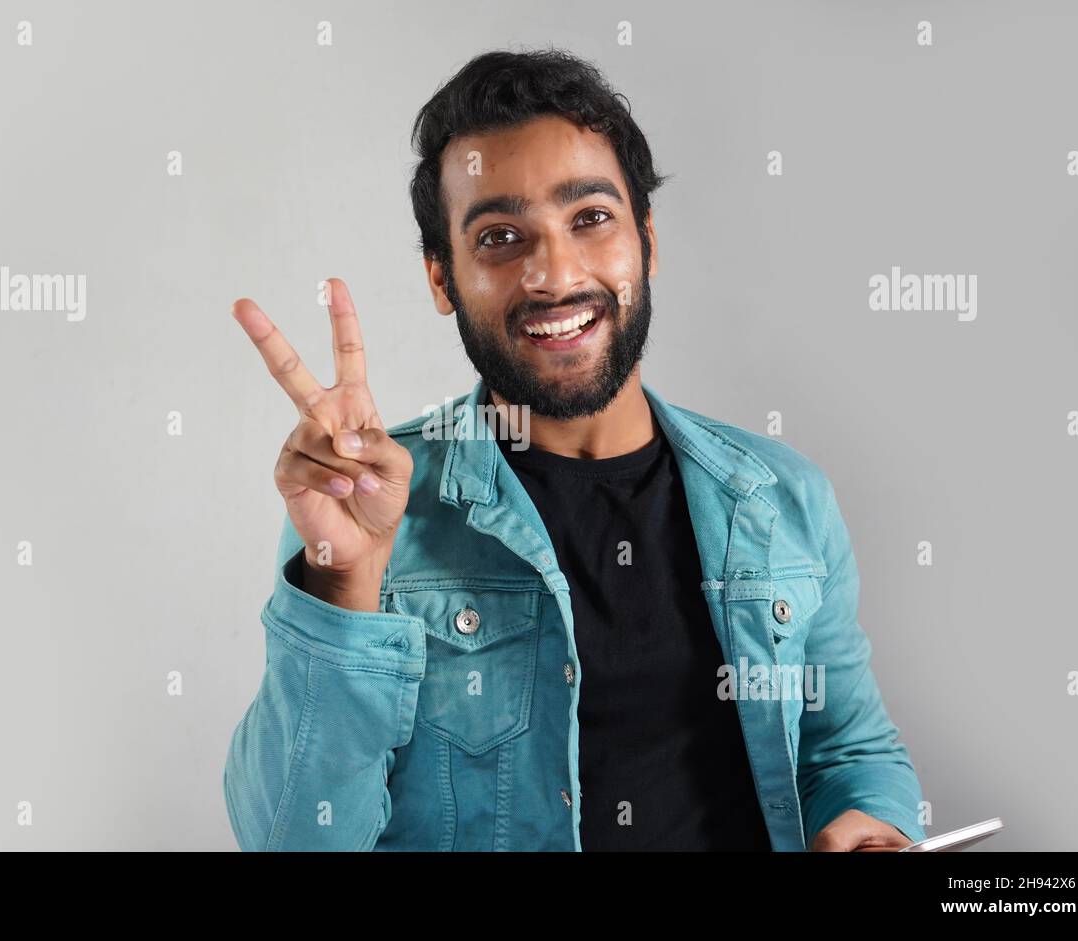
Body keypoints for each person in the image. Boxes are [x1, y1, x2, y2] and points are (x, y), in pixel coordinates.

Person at [223, 48, 925, 852]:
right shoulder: (366, 510)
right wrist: (345, 583)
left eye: (589, 218)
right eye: (499, 236)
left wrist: (869, 826)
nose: (554, 273)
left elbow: (850, 749)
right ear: (442, 279)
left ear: (646, 241)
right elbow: (289, 837)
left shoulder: (785, 496)